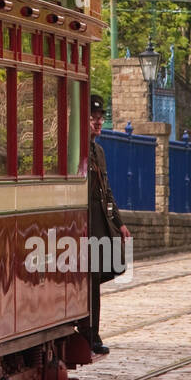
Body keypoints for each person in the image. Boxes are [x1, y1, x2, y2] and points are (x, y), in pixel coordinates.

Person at [86, 94, 130, 354]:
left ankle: (93, 332)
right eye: (93, 119)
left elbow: (107, 191)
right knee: (91, 278)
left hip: (102, 222)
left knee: (108, 269)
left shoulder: (98, 151)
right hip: (88, 224)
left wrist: (120, 223)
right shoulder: (78, 150)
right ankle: (92, 334)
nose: (98, 123)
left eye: (100, 119)